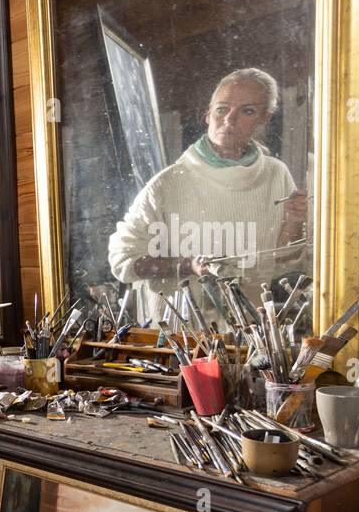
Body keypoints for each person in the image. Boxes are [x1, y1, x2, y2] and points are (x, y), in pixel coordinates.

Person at [108, 68, 307, 323]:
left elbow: (281, 263)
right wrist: (187, 265)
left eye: (247, 111)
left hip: (246, 336)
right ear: (207, 114)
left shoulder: (276, 175)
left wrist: (295, 219)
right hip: (178, 337)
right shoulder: (168, 184)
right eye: (222, 109)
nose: (229, 120)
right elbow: (122, 260)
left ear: (264, 119)